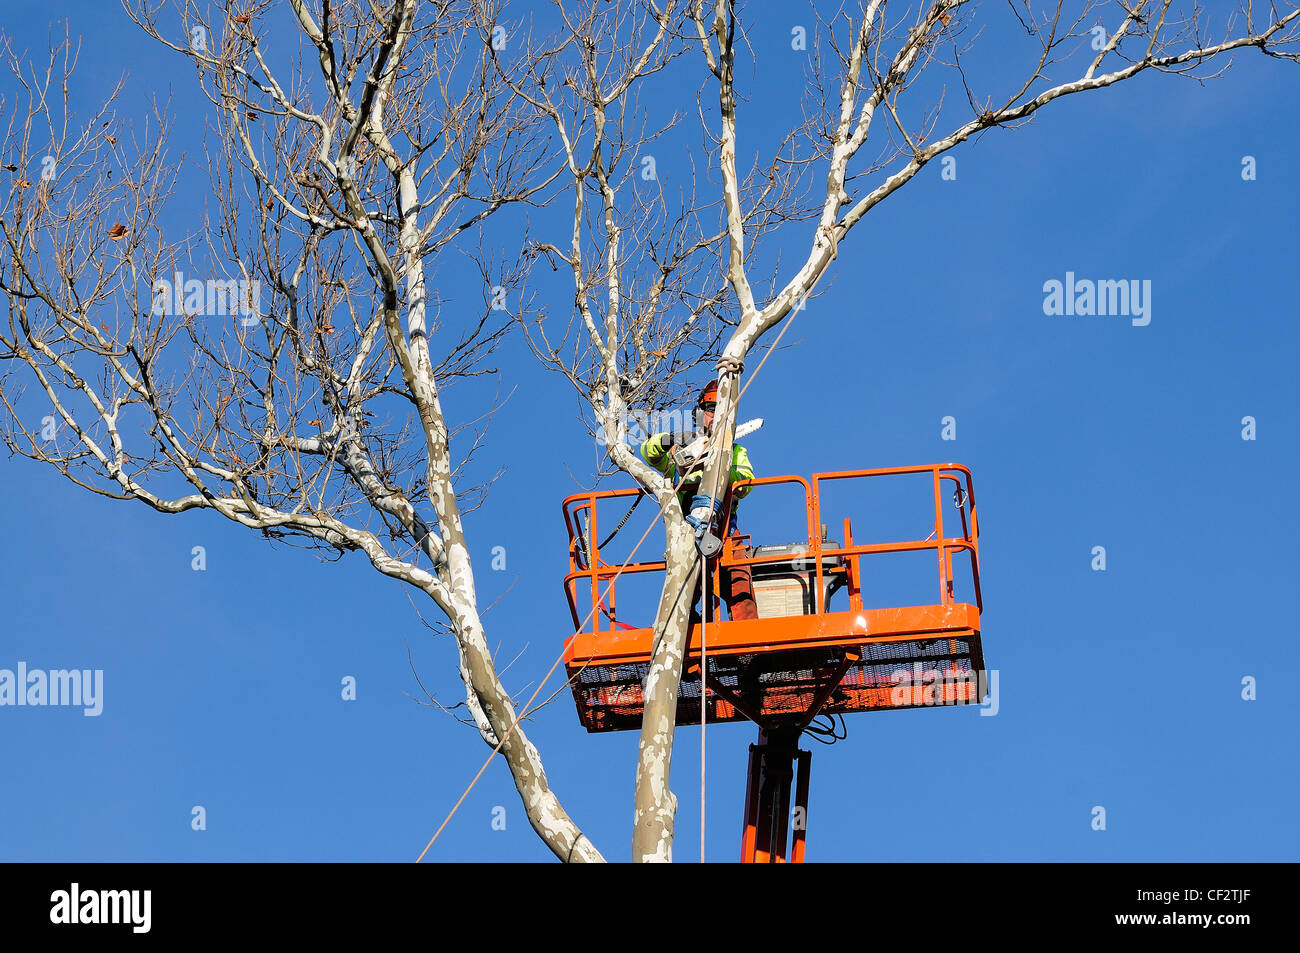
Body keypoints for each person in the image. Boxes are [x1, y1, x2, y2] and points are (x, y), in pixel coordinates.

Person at [640, 379, 758, 622]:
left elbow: (746, 483)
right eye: (711, 409)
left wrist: (719, 468)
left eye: (721, 410)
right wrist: (670, 440)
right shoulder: (683, 448)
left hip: (725, 530)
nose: (715, 416)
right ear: (700, 413)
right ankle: (687, 634)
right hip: (687, 531)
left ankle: (748, 636)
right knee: (685, 592)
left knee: (740, 583)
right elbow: (649, 454)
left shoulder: (735, 451)